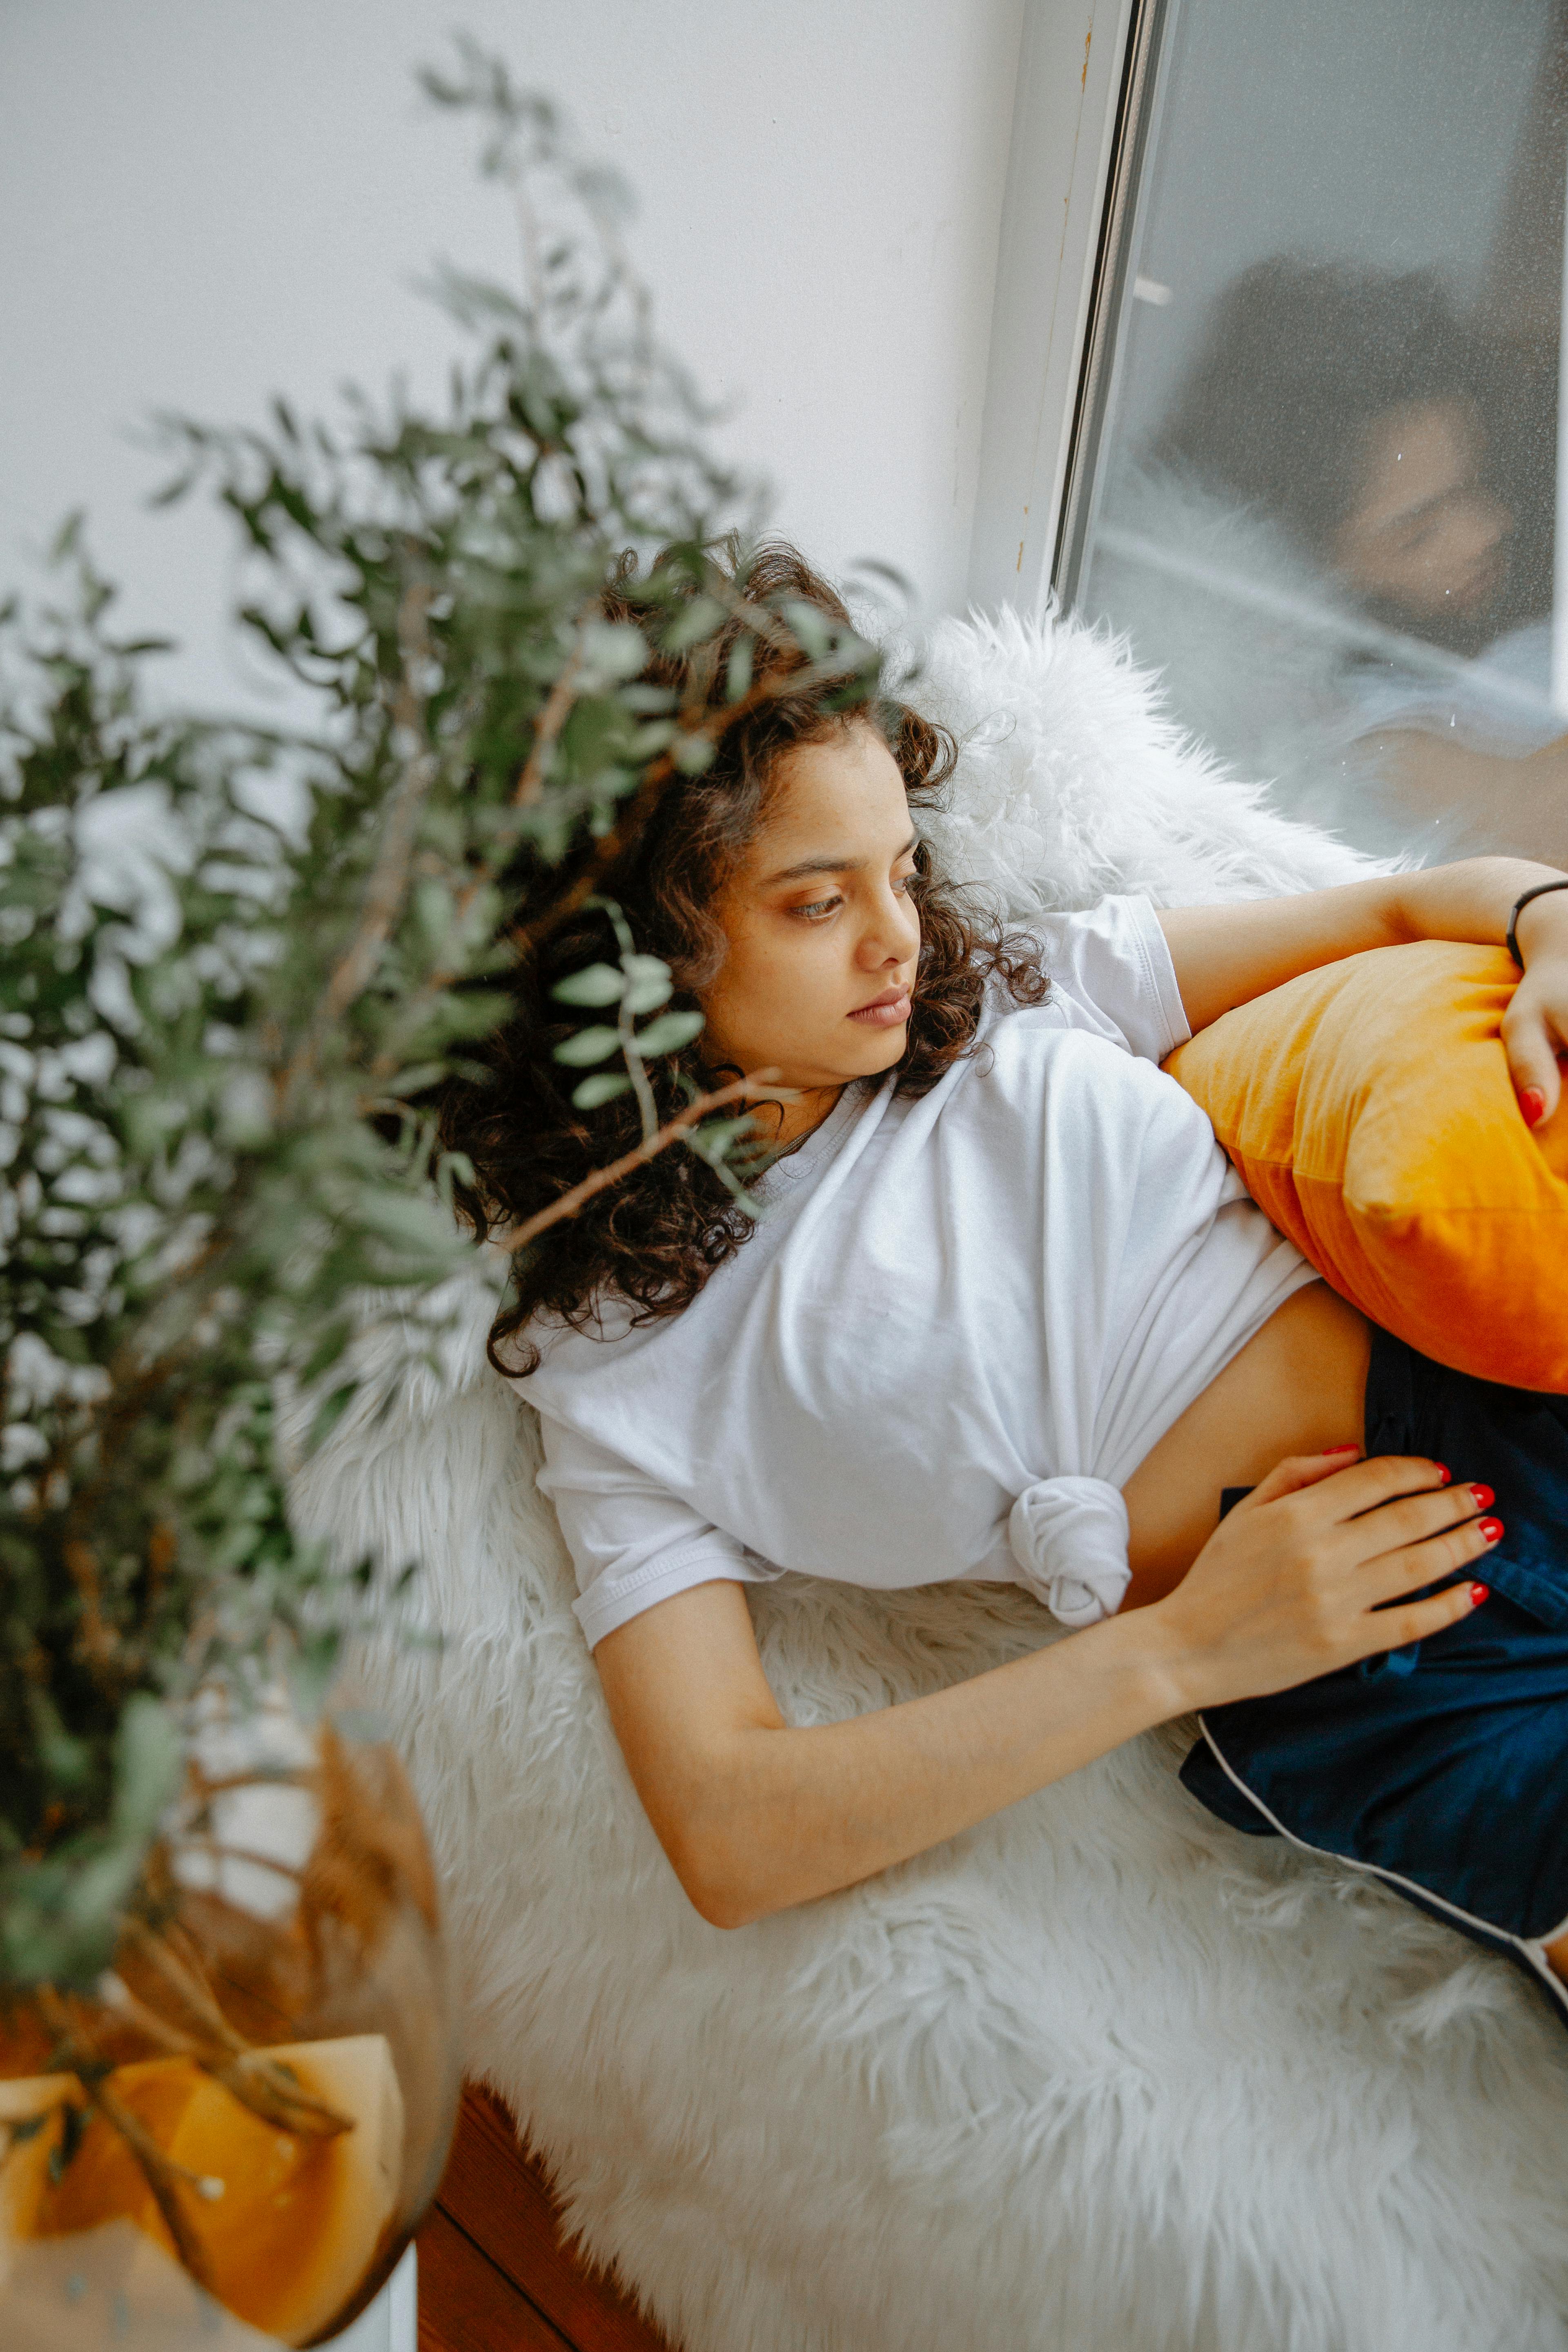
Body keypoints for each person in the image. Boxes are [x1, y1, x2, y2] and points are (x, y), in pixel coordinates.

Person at [445, 544, 1568, 2014]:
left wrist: (1549, 936)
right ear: (634, 955)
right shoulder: (621, 1365)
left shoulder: (1025, 992)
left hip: (1505, 1383)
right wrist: (1180, 1651)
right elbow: (729, 1831)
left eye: (901, 868)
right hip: (1369, 1677)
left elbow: (1435, 902)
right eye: (814, 903)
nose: (898, 933)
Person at [1102, 258, 1568, 860]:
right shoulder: (1352, 732)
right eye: (1417, 533)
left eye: (1481, 479)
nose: (1487, 530)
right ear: (1311, 565)